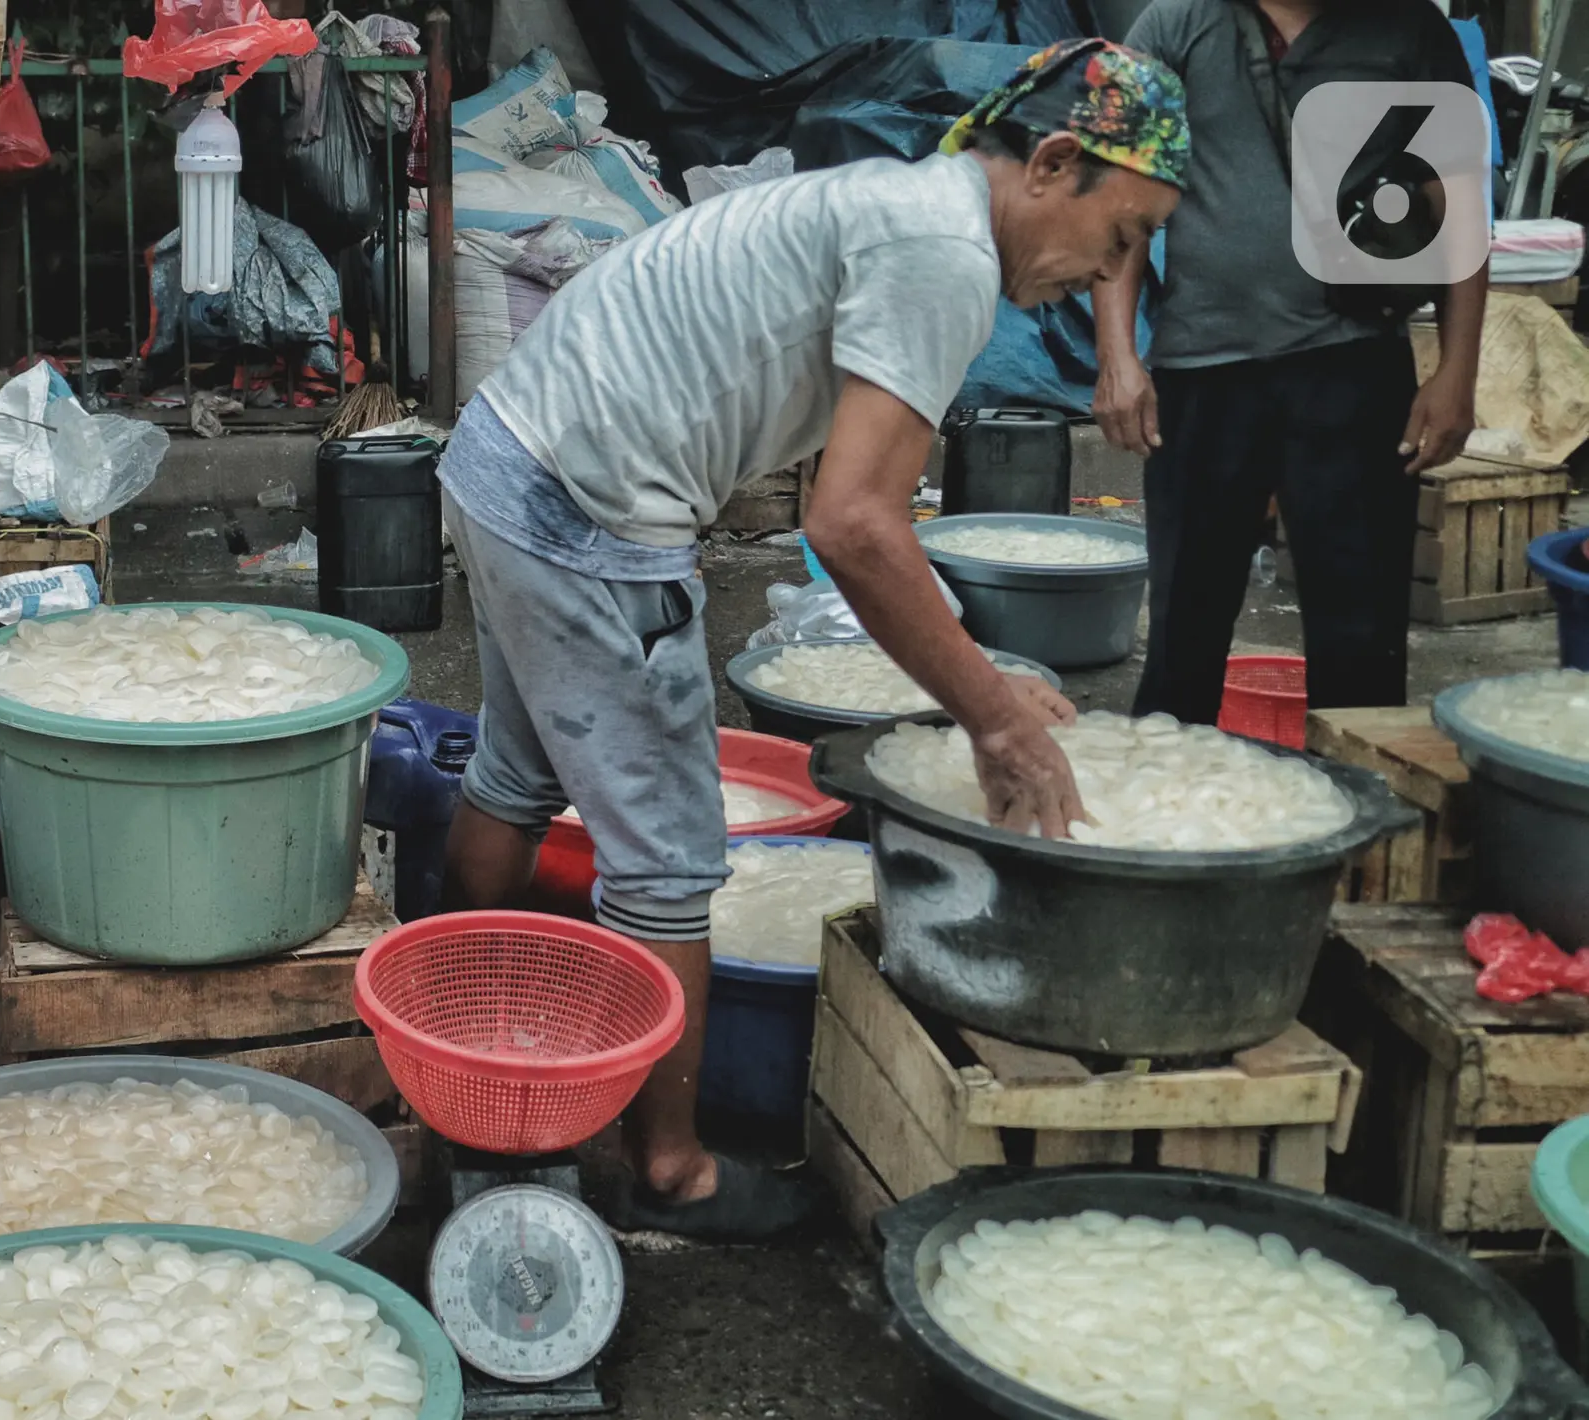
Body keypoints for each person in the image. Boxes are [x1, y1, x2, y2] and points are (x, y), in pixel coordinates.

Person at [434, 39, 1189, 1240]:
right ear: (1053, 162)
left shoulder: (911, 204)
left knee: (519, 774)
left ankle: (461, 1066)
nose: (1109, 270)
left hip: (508, 448)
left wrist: (977, 682)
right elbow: (852, 525)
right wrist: (987, 707)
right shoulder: (941, 253)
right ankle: (668, 1171)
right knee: (667, 863)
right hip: (583, 504)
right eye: (1119, 234)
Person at [1094, 0, 1486, 722]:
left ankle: (1363, 822)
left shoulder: (1407, 30)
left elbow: (1458, 198)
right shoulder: (1173, 25)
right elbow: (1119, 187)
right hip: (1201, 368)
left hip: (1356, 367)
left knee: (1363, 642)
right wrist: (1118, 355)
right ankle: (1165, 814)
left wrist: (1456, 372)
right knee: (1184, 631)